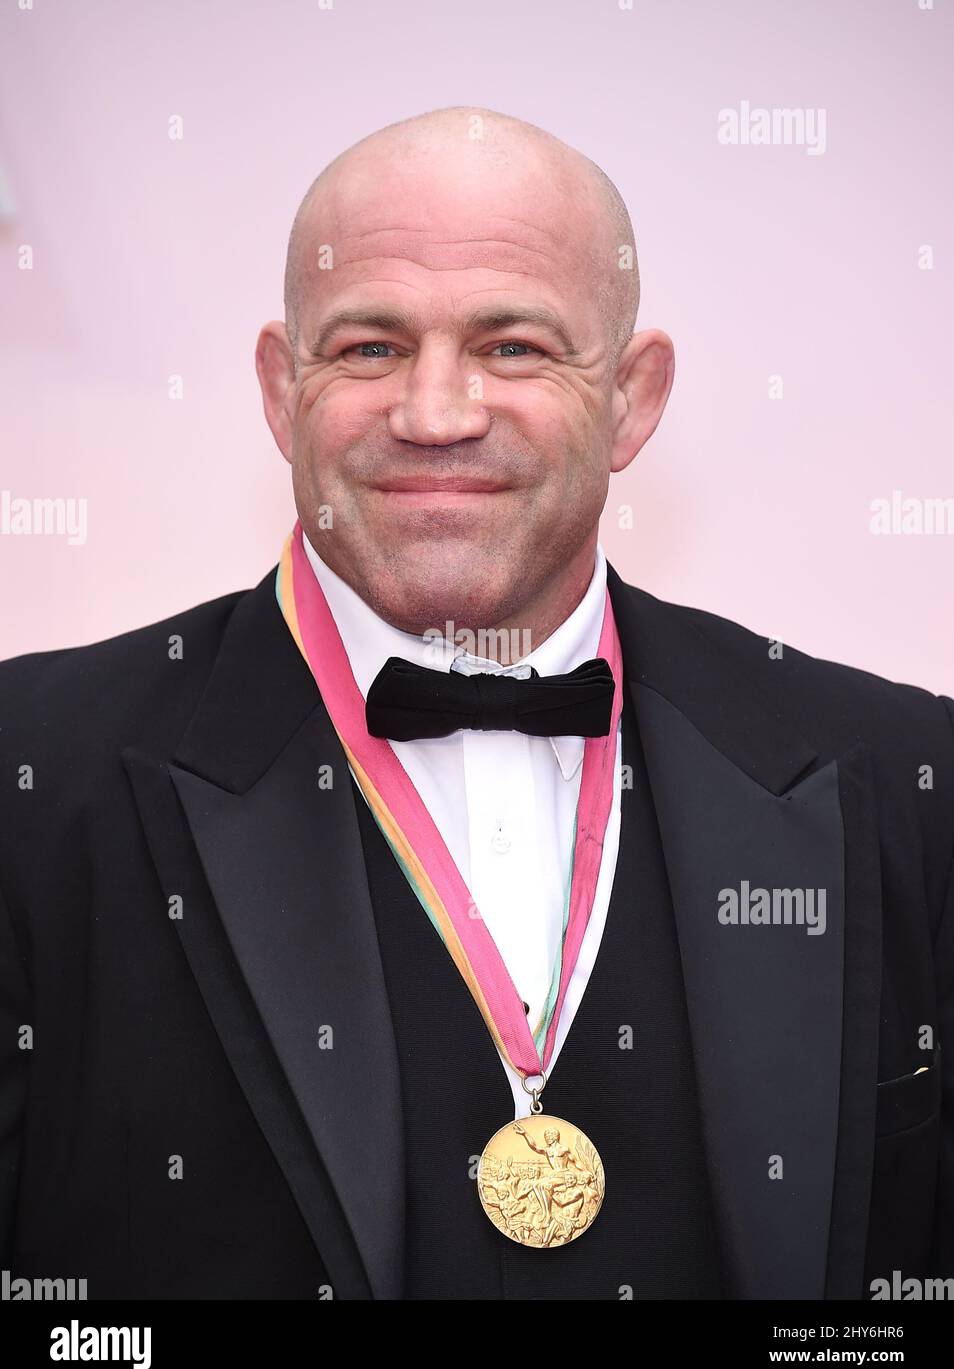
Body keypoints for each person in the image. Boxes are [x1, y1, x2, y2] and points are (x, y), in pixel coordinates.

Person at [0, 106, 951, 1302]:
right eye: (368, 349)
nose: (436, 414)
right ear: (278, 391)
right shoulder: (27, 777)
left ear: (634, 396)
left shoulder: (910, 777)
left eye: (511, 347)